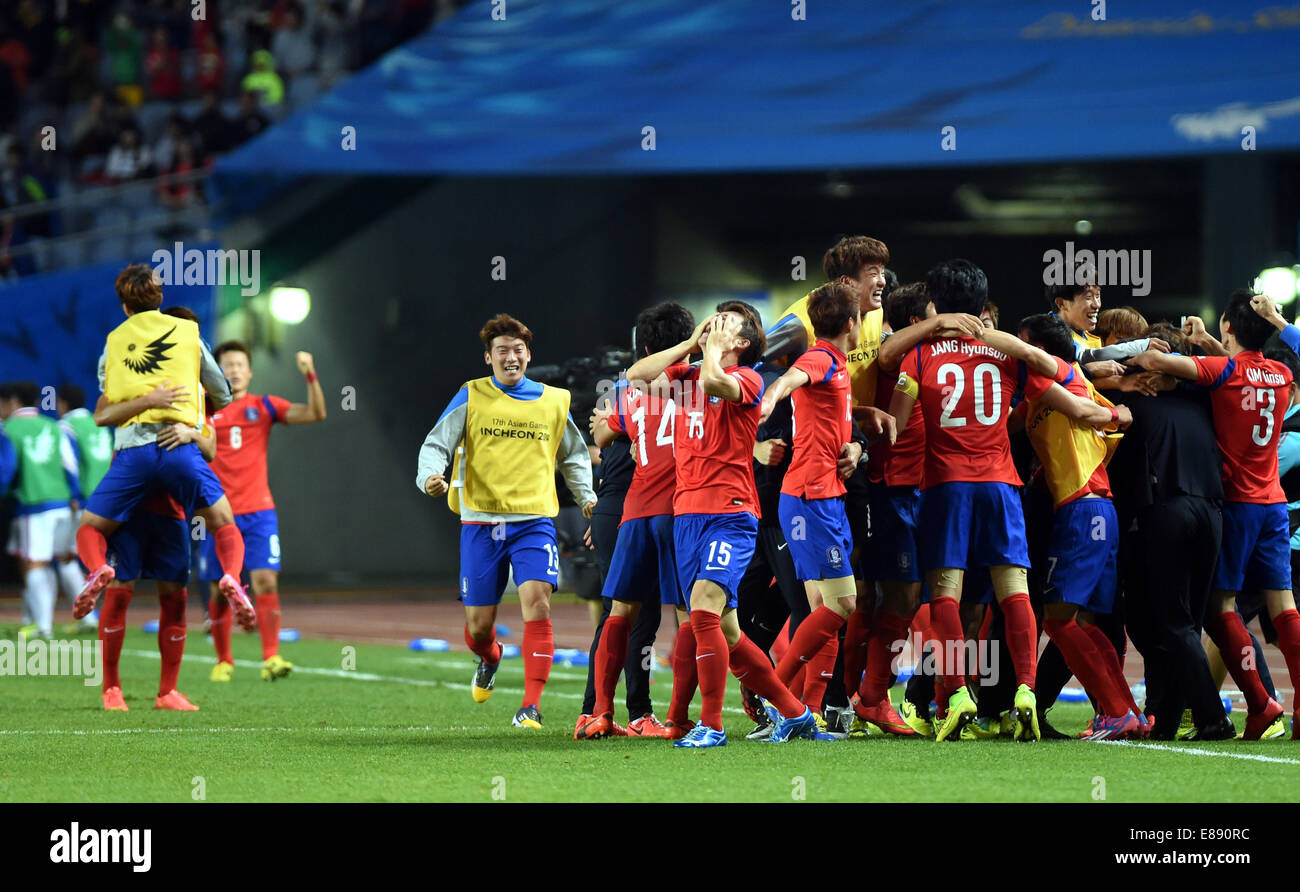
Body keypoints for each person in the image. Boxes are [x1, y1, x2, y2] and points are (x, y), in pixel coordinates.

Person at [625, 302, 814, 747]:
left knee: (704, 612)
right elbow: (636, 377)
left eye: (726, 325)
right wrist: (693, 343)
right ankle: (795, 712)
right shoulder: (688, 377)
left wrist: (715, 348)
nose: (715, 327)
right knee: (728, 631)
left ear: (742, 343)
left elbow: (714, 379)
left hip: (729, 513)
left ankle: (711, 725)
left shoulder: (746, 379)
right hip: (687, 513)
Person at [890, 259, 1061, 741]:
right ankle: (1025, 692)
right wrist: (993, 335)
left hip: (945, 486)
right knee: (1015, 592)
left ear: (935, 304)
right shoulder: (1005, 353)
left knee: (945, 593)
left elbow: (896, 422)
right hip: (1001, 484)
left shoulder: (918, 357)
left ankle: (957, 694)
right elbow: (1049, 368)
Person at [1129, 290, 1300, 740]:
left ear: (1227, 325)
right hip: (1275, 507)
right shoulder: (1282, 374)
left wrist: (1145, 356)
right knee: (1284, 609)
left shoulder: (1221, 371)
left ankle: (1261, 704)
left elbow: (1163, 366)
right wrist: (1277, 323)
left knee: (1219, 608)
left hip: (1237, 505)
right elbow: (1240, 368)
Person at [417, 314, 597, 730]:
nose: (511, 357)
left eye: (518, 350)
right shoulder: (471, 395)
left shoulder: (554, 400)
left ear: (528, 355)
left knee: (538, 600)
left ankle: (530, 706)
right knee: (479, 627)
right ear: (488, 358)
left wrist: (586, 495)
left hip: (534, 521)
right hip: (480, 524)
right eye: (502, 351)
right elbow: (436, 443)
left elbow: (572, 454)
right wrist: (429, 475)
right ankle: (490, 656)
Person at [72, 264, 253, 631]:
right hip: (178, 453)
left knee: (92, 533)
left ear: (124, 306)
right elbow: (222, 398)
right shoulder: (188, 336)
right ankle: (232, 576)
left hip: (132, 460)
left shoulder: (113, 343)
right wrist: (193, 418)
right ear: (161, 298)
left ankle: (96, 570)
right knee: (222, 525)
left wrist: (144, 399)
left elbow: (103, 412)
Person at [760, 282, 892, 739]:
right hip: (810, 500)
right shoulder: (820, 357)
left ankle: (804, 713)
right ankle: (780, 695)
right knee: (843, 605)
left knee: (822, 606)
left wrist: (862, 421)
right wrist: (770, 398)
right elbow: (789, 379)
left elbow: (823, 407)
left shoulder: (835, 365)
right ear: (852, 323)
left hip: (819, 496)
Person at [1011, 314, 1143, 740]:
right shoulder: (1079, 383)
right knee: (1086, 621)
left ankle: (1118, 711)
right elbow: (1114, 426)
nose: (1018, 349)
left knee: (1057, 619)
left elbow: (1106, 416)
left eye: (1024, 343)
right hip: (1100, 508)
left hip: (1081, 511)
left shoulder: (1046, 379)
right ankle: (1124, 713)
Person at [576, 302, 698, 740]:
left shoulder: (630, 389)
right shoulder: (699, 382)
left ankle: (597, 712)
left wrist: (613, 428)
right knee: (688, 616)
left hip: (630, 512)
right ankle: (675, 718)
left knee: (621, 614)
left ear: (644, 345)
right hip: (677, 511)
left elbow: (602, 431)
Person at [199, 341, 326, 682]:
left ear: (250, 372)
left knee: (265, 580)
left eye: (240, 364)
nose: (234, 370)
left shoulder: (263, 405)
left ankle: (271, 657)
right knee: (217, 588)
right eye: (227, 365)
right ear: (216, 371)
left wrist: (310, 374)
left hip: (258, 511)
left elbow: (315, 413)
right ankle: (224, 660)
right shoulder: (204, 410)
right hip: (217, 513)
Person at [1, 380, 80, 640]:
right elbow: (70, 464)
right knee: (53, 562)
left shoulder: (8, 428)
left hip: (33, 504)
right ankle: (36, 620)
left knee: (33, 564)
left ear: (11, 402)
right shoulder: (54, 426)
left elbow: (7, 468)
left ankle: (43, 626)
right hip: (63, 503)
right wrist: (75, 495)